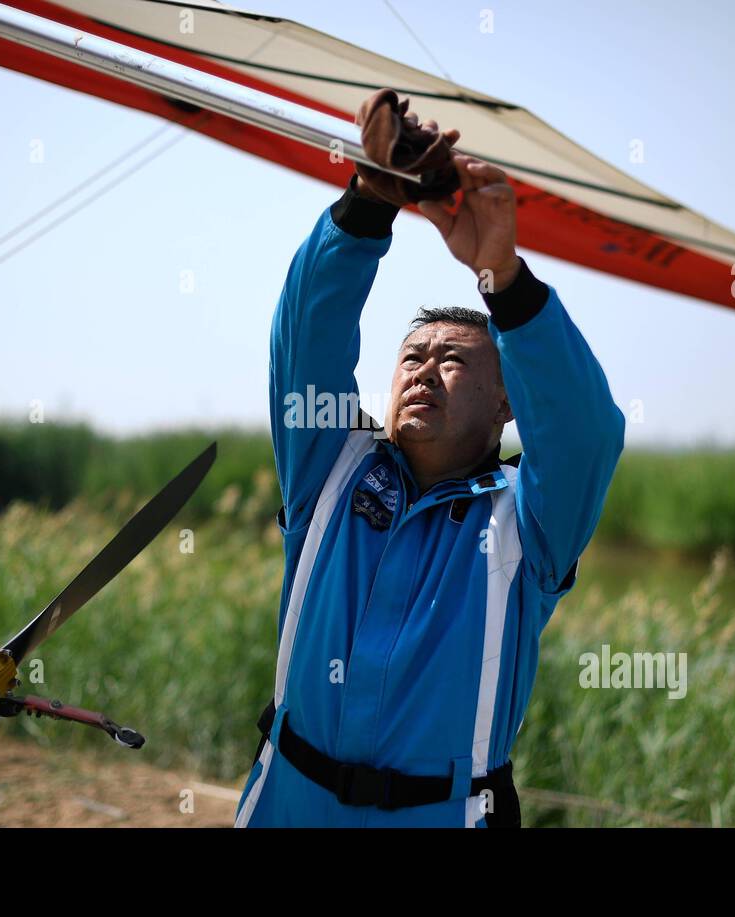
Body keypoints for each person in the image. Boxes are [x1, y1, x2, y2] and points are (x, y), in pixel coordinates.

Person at [234, 105, 625, 827]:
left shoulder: (527, 522)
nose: (424, 372)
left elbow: (585, 433)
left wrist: (502, 278)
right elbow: (306, 334)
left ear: (509, 399)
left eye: (452, 361)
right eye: (413, 357)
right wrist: (370, 198)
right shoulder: (330, 467)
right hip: (287, 802)